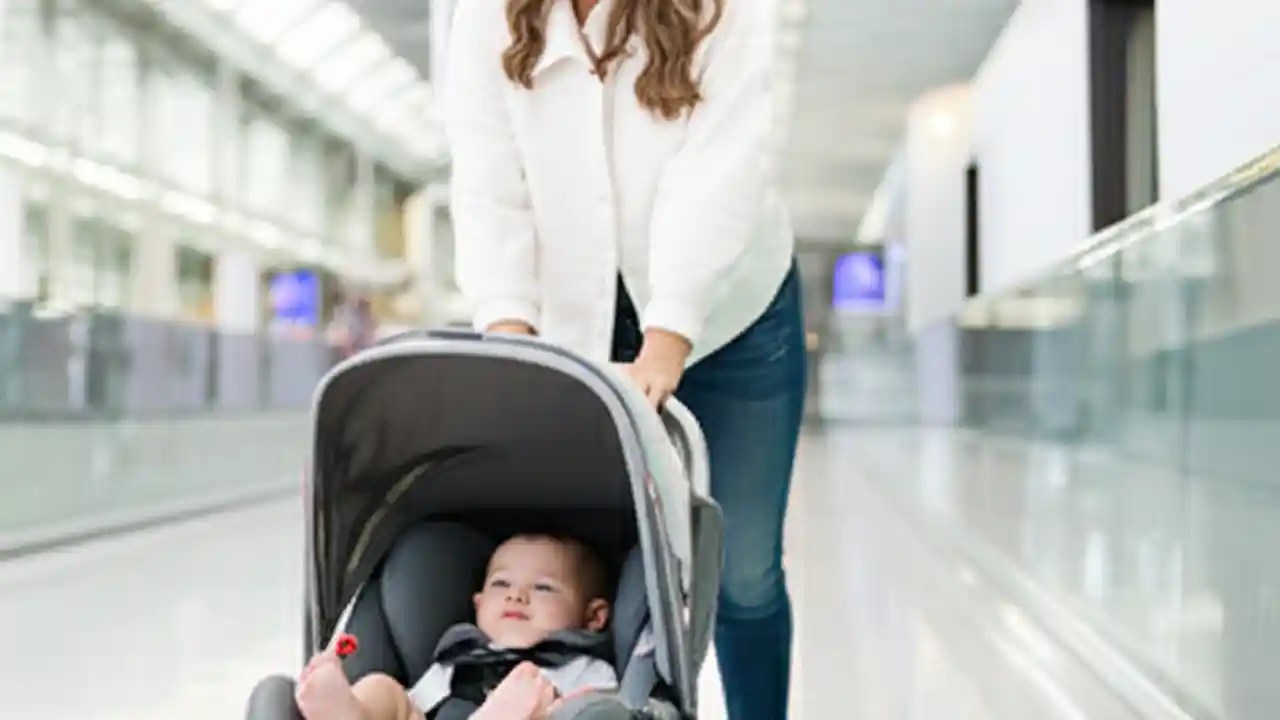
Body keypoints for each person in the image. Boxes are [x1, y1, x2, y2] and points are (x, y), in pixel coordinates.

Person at [445, 0, 805, 717]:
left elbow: (721, 169)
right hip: (573, 319)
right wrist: (511, 339)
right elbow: (489, 184)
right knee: (593, 560)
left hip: (734, 313)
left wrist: (670, 333)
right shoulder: (487, 13)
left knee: (741, 574)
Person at [295, 533, 619, 720]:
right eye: (501, 583)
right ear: (478, 604)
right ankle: (347, 713)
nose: (516, 596)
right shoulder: (457, 660)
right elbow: (416, 706)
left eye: (543, 588)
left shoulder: (586, 670)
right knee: (387, 690)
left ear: (593, 617)